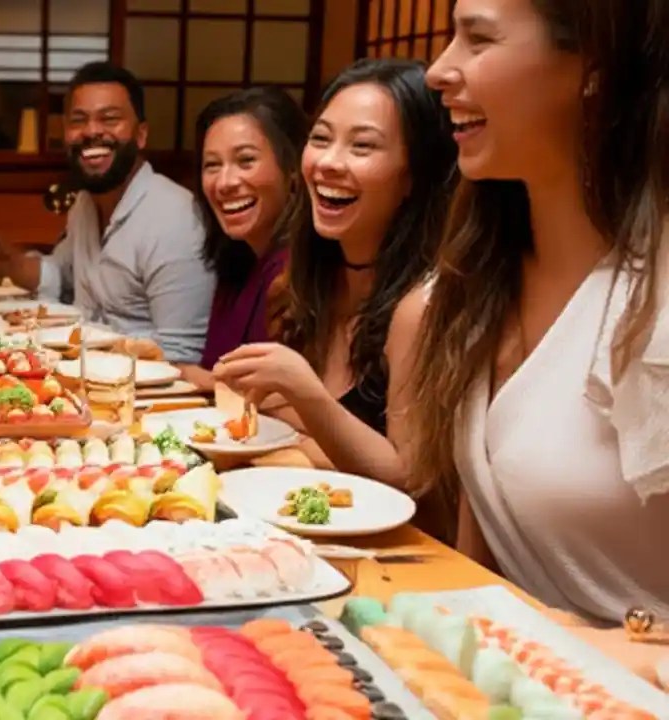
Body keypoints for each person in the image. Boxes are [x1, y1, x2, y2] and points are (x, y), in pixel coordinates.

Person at [413, 0, 669, 654]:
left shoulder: (654, 299)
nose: (438, 71)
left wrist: (615, 645)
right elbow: (481, 565)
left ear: (592, 69)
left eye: (478, 39)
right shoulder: (477, 280)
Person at [214, 59, 456, 495]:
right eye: (321, 139)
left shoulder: (419, 307)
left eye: (362, 147)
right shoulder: (297, 288)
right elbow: (270, 418)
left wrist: (305, 396)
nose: (328, 162)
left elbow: (411, 481)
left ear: (413, 176)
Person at [0, 62, 214, 364]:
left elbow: (182, 356)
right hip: (83, 375)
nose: (92, 131)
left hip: (144, 393)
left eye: (109, 119)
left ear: (141, 135)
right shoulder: (86, 203)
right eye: (79, 121)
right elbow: (57, 276)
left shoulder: (175, 218)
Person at [186, 88, 309, 391]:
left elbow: (291, 401)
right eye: (212, 165)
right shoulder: (236, 261)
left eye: (245, 161)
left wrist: (192, 376)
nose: (225, 183)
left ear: (292, 170)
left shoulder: (301, 271)